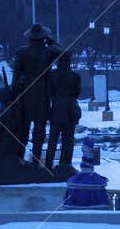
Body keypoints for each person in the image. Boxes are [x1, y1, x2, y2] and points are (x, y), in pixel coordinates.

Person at [10, 25, 59, 162]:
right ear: (44, 37)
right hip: (43, 93)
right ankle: (36, 159)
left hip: (26, 93)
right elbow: (64, 54)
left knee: (23, 128)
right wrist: (51, 42)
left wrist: (13, 94)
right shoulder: (49, 52)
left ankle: (19, 157)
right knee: (39, 129)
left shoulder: (21, 52)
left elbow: (16, 75)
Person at [45, 51, 83, 171]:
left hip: (56, 108)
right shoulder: (75, 77)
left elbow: (49, 93)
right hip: (70, 109)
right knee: (68, 140)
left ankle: (48, 165)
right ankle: (66, 165)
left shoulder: (52, 75)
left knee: (53, 140)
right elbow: (76, 94)